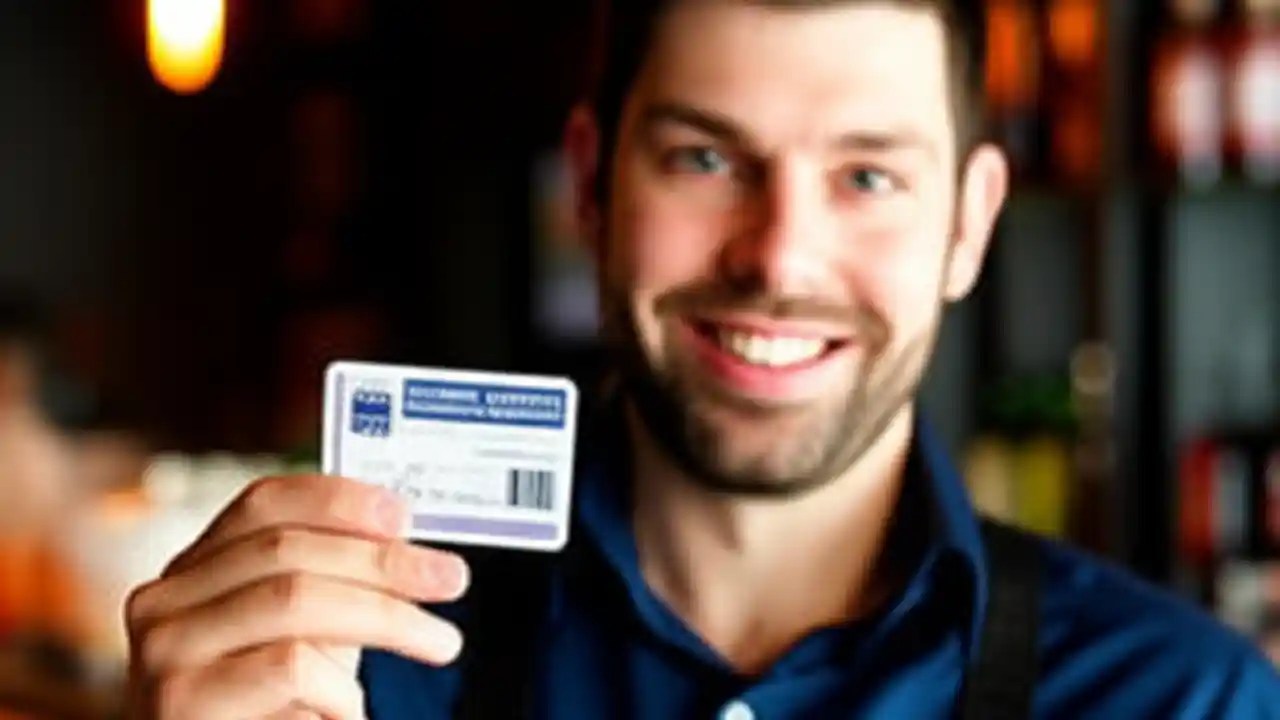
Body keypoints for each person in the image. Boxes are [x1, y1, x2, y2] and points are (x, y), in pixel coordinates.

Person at [124, 0, 1280, 717]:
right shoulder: (347, 668)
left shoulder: (1184, 703)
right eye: (704, 160)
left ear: (968, 223)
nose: (776, 256)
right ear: (587, 182)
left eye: (864, 176)